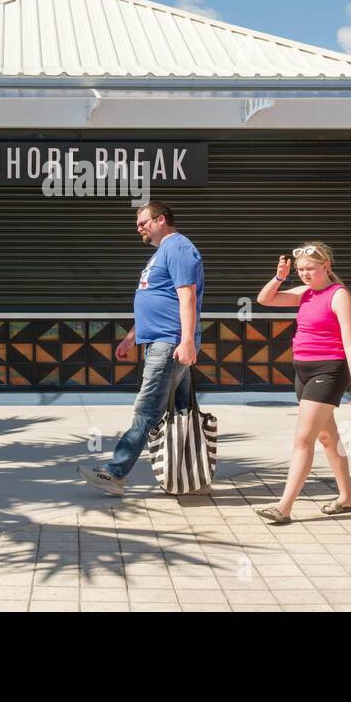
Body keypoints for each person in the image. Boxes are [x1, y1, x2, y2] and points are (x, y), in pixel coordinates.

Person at [77, 201, 202, 496]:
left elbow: (188, 297)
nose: (139, 228)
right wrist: (133, 335)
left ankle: (115, 473)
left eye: (143, 222)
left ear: (161, 220)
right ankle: (191, 478)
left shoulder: (178, 248)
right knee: (180, 412)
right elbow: (156, 299)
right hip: (161, 340)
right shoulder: (163, 252)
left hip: (169, 342)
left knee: (148, 408)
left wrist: (185, 340)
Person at [253, 242, 351, 524]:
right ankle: (347, 497)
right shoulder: (305, 293)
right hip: (303, 370)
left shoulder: (339, 296)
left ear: (326, 266)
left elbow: (350, 341)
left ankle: (284, 506)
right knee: (328, 438)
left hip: (329, 370)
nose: (304, 274)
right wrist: (279, 276)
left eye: (310, 269)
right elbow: (265, 299)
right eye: (300, 270)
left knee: (303, 439)